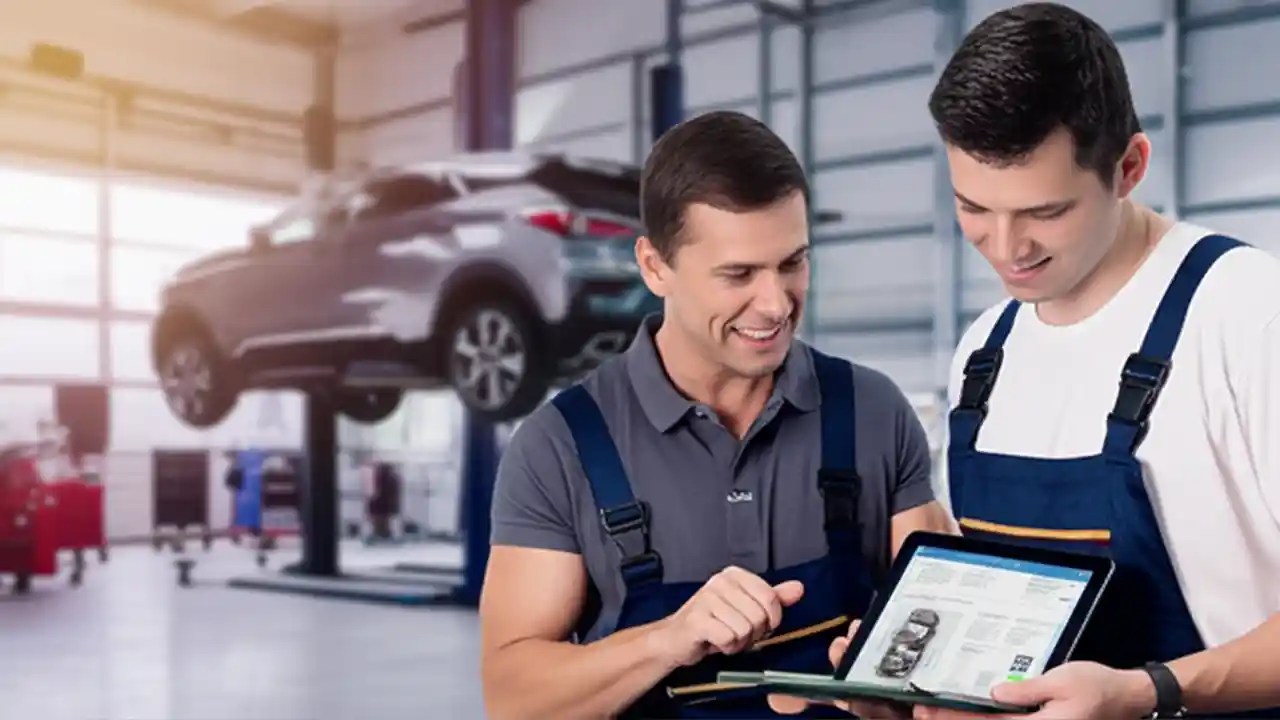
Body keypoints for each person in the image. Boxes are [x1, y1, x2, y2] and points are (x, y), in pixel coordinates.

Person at [773, 3, 1280, 719]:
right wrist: (917, 681)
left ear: (1129, 166)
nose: (1007, 248)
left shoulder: (1248, 315)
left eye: (1045, 213)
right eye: (974, 207)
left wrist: (1145, 692)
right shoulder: (987, 350)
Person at [478, 109, 955, 719]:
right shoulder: (560, 445)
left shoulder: (872, 411)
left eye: (792, 263)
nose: (776, 303)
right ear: (654, 267)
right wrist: (666, 640)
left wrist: (884, 698)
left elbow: (940, 644)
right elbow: (513, 700)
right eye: (739, 274)